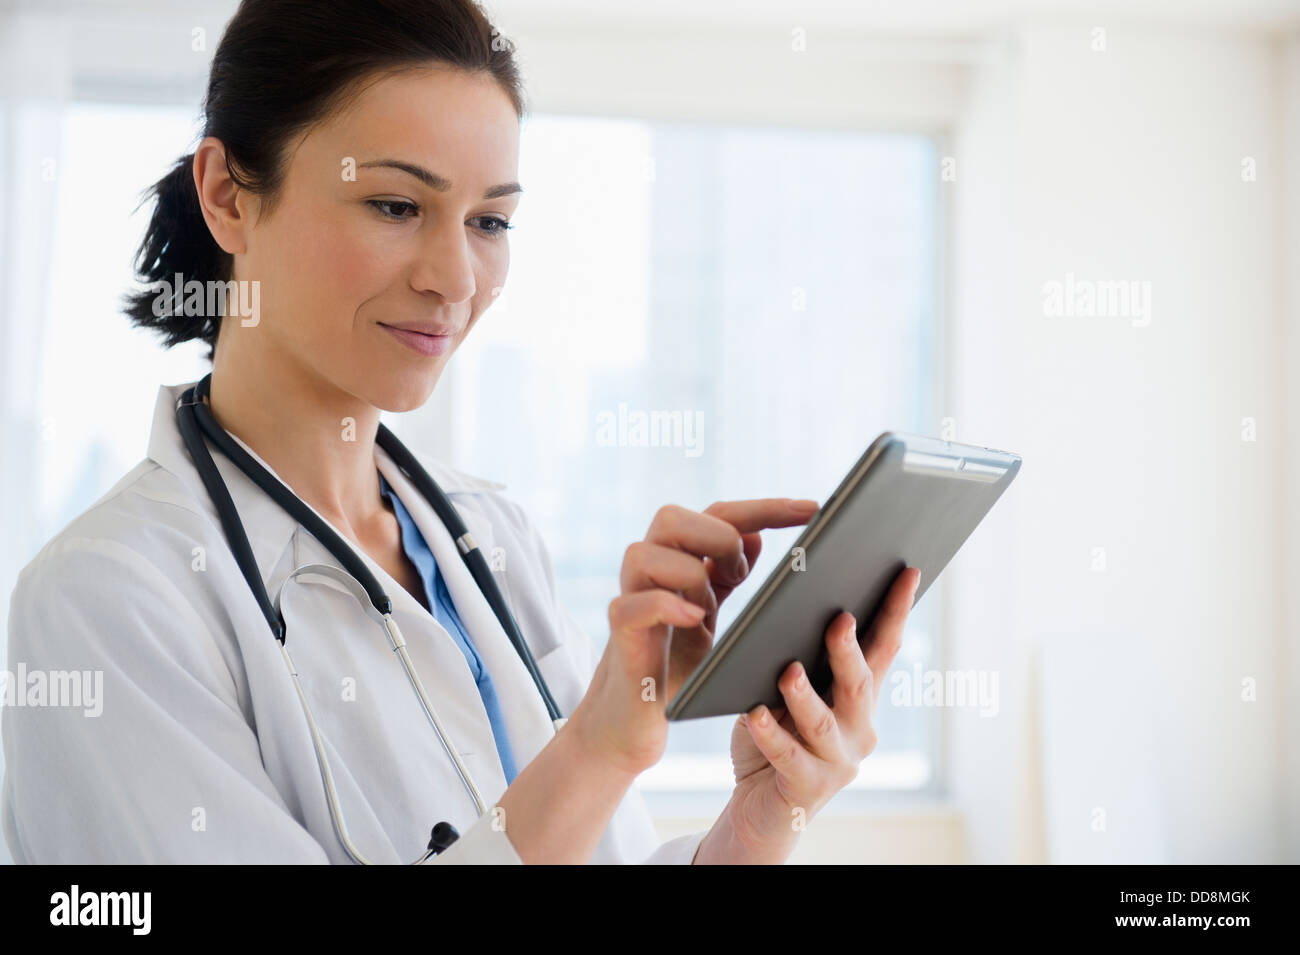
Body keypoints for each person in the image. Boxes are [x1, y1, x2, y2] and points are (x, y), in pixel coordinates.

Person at [1, 0, 921, 864]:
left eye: (490, 221)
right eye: (397, 206)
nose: (455, 277)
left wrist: (754, 825)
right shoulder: (104, 602)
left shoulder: (491, 538)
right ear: (229, 196)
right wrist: (598, 745)